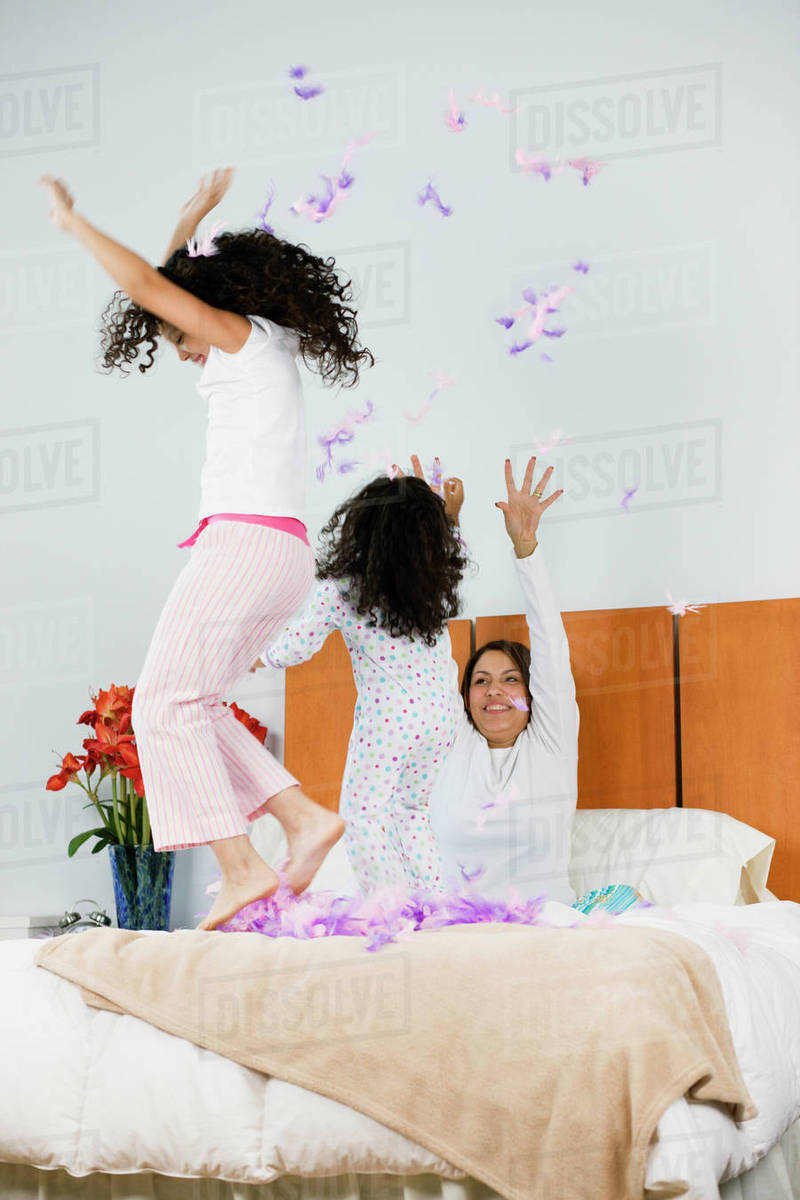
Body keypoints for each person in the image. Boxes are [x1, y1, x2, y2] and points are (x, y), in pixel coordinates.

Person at [40, 169, 374, 930]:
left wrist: (73, 224)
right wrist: (189, 215)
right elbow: (163, 292)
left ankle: (243, 865)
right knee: (200, 703)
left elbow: (149, 289)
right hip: (279, 553)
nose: (177, 347)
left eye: (180, 328)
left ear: (212, 304)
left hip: (243, 544)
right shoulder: (267, 344)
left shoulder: (240, 339)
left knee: (161, 705)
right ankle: (303, 819)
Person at [256, 456, 467, 893]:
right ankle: (434, 906)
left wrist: (260, 657)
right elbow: (449, 551)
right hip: (443, 717)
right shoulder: (432, 581)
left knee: (363, 815)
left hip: (391, 718)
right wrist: (450, 516)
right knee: (410, 812)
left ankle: (388, 908)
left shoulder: (346, 588)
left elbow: (298, 644)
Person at [429, 456, 580, 904]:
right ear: (465, 697)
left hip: (545, 930)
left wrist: (526, 548)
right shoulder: (452, 743)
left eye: (511, 679)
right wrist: (442, 533)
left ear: (532, 694)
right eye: (480, 681)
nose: (494, 690)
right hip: (452, 931)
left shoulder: (552, 744)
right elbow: (430, 644)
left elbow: (549, 643)